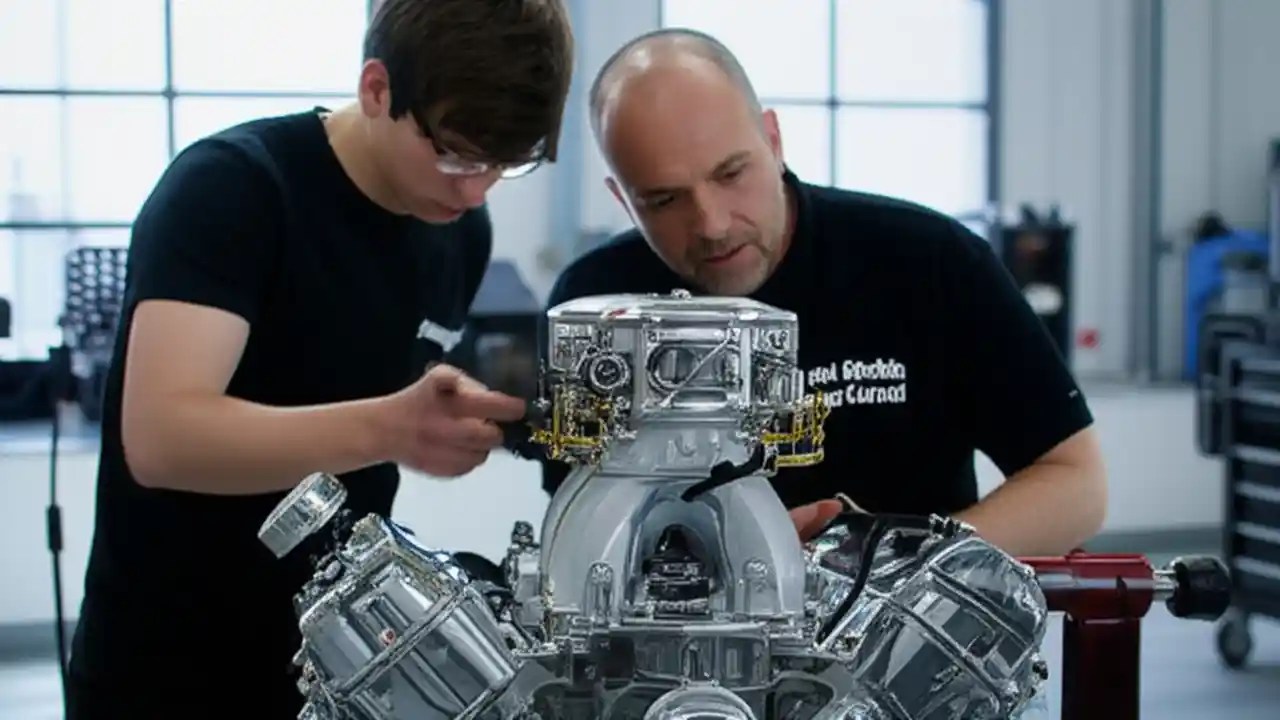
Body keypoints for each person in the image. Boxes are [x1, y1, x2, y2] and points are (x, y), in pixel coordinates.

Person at [65, 1, 574, 716]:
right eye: (456, 153)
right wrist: (389, 429)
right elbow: (161, 438)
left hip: (351, 673)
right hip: (171, 665)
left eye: (505, 164)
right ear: (377, 89)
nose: (475, 188)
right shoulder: (234, 188)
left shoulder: (459, 231)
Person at [539, 28, 1107, 556]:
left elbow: (1075, 484)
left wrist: (893, 560)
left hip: (904, 647)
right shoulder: (594, 305)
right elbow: (582, 528)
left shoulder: (929, 260)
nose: (711, 224)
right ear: (623, 199)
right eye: (663, 201)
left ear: (774, 140)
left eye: (731, 173)